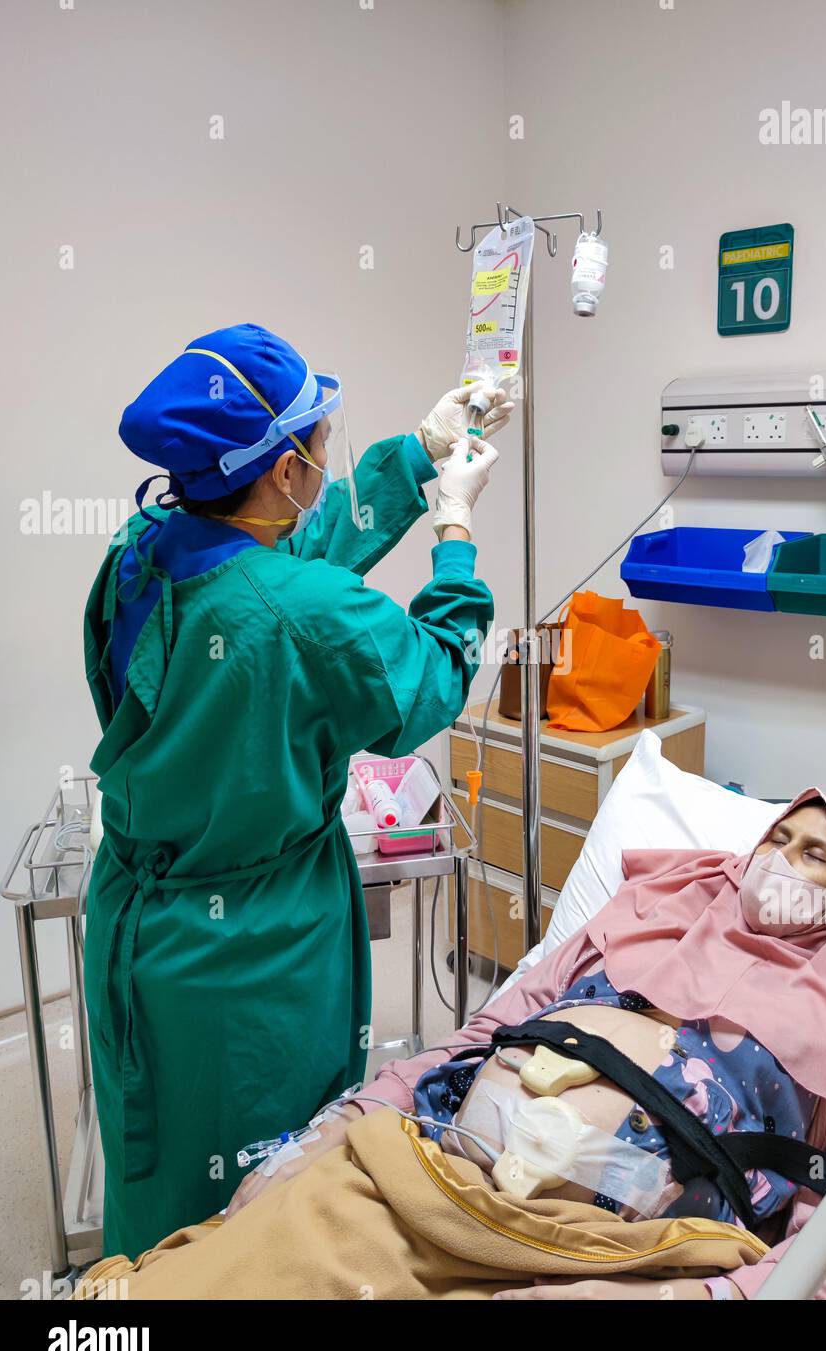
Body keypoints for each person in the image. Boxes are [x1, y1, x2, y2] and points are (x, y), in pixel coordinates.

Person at [76, 789, 826, 1299]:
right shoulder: (650, 913)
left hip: (605, 1250)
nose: (781, 860)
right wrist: (353, 1113)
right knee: (226, 1276)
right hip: (435, 1166)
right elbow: (490, 1027)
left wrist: (729, 1297)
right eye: (779, 835)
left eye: (815, 856)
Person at [82, 322, 511, 1258]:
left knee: (157, 1171)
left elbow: (284, 556)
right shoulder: (300, 612)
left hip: (137, 927)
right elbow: (437, 674)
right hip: (254, 953)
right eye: (321, 441)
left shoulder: (145, 544)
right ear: (282, 470)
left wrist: (418, 453)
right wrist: (455, 533)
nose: (327, 456)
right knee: (263, 1193)